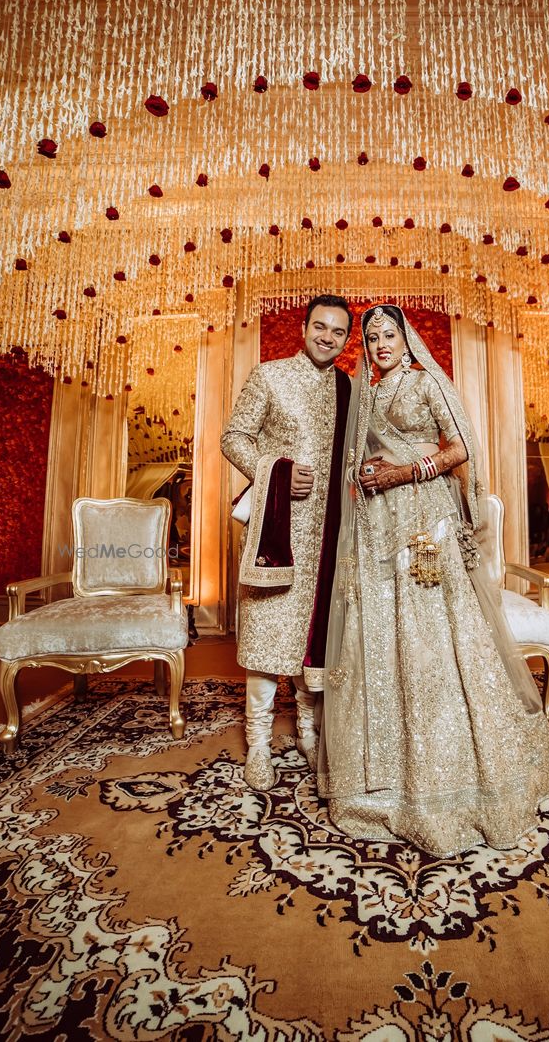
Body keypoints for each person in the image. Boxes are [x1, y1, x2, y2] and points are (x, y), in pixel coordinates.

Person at [318, 305, 549, 857]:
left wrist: (403, 472)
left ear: (406, 339)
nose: (380, 344)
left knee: (434, 634)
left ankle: (451, 769)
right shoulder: (368, 394)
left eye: (389, 335)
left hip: (426, 523)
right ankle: (385, 774)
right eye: (372, 336)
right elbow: (360, 456)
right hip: (379, 524)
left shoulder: (427, 384)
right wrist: (364, 474)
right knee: (382, 632)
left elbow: (460, 449)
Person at [221, 295, 352, 790]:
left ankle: (308, 731)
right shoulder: (270, 376)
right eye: (319, 326)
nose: (327, 337)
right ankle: (258, 744)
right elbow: (234, 436)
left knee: (314, 636)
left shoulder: (349, 389)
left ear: (345, 340)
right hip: (276, 530)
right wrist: (275, 470)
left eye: (338, 332)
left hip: (330, 535)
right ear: (303, 328)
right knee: (267, 635)